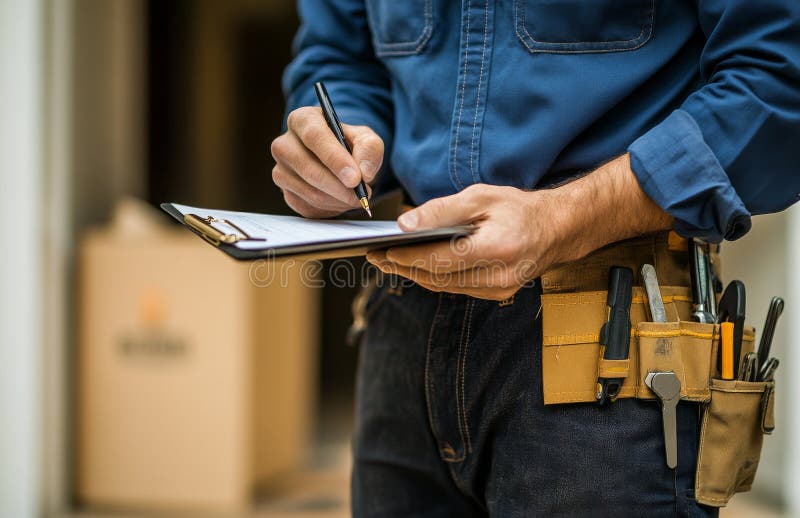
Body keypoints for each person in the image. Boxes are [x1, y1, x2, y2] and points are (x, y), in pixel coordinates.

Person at [271, 1, 800, 515]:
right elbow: (338, 58)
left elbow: (778, 85)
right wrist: (335, 139)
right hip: (402, 328)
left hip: (612, 353)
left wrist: (563, 217)